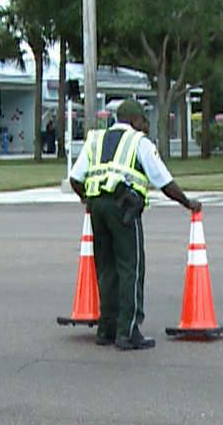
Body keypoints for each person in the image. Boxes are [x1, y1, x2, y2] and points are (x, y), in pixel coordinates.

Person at [68, 99, 202, 351]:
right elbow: (163, 180)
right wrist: (187, 202)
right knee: (131, 267)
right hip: (124, 209)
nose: (145, 125)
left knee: (106, 268)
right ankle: (128, 331)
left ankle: (106, 329)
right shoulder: (138, 142)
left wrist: (87, 199)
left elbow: (75, 178)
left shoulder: (95, 140)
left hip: (97, 207)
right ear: (134, 120)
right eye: (143, 120)